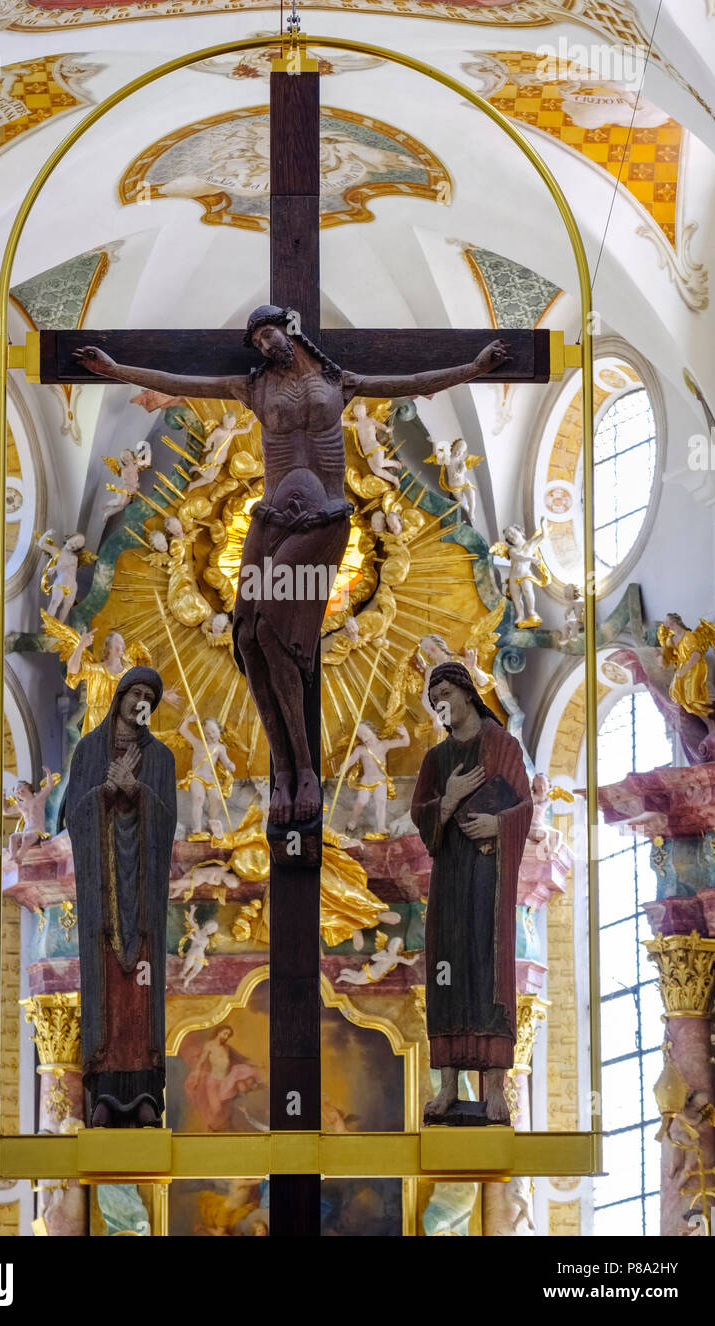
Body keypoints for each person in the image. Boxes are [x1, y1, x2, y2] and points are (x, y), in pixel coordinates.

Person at [75, 306, 508, 826]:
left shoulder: (338, 380)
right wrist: (117, 370)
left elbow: (413, 380)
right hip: (269, 519)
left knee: (276, 632)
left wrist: (475, 368)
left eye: (268, 333)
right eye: (256, 339)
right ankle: (285, 767)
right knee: (248, 636)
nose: (265, 344)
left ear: (288, 328)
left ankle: (303, 769)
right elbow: (177, 380)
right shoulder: (253, 389)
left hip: (324, 520)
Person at [410, 661, 531, 1124]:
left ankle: (496, 1087)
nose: (439, 702)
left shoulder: (502, 747)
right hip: (450, 878)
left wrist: (498, 825)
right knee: (448, 969)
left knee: (489, 968)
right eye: (432, 696)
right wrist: (450, 798)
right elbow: (422, 816)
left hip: (490, 877)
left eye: (444, 692)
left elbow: (524, 803)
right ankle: (447, 1086)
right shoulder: (436, 760)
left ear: (465, 691)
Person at [64, 667, 177, 1129]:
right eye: (136, 692)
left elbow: (167, 822)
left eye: (150, 696)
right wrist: (104, 792)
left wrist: (138, 793)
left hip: (143, 892)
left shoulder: (163, 758)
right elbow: (72, 815)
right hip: (101, 888)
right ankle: (105, 1092)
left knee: (141, 989)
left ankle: (146, 1092)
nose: (141, 702)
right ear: (120, 696)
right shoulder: (89, 750)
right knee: (107, 984)